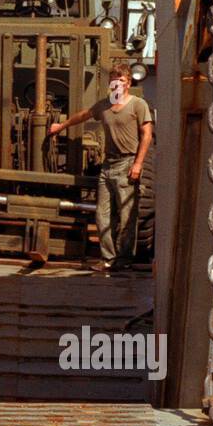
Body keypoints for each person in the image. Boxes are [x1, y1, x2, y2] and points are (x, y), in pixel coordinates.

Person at [48, 63, 153, 272]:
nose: (117, 83)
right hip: (108, 165)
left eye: (121, 80)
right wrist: (61, 126)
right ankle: (108, 259)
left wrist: (138, 164)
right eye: (114, 79)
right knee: (102, 214)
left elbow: (147, 135)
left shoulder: (138, 105)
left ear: (128, 83)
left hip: (127, 164)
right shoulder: (104, 105)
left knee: (126, 217)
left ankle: (124, 260)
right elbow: (84, 115)